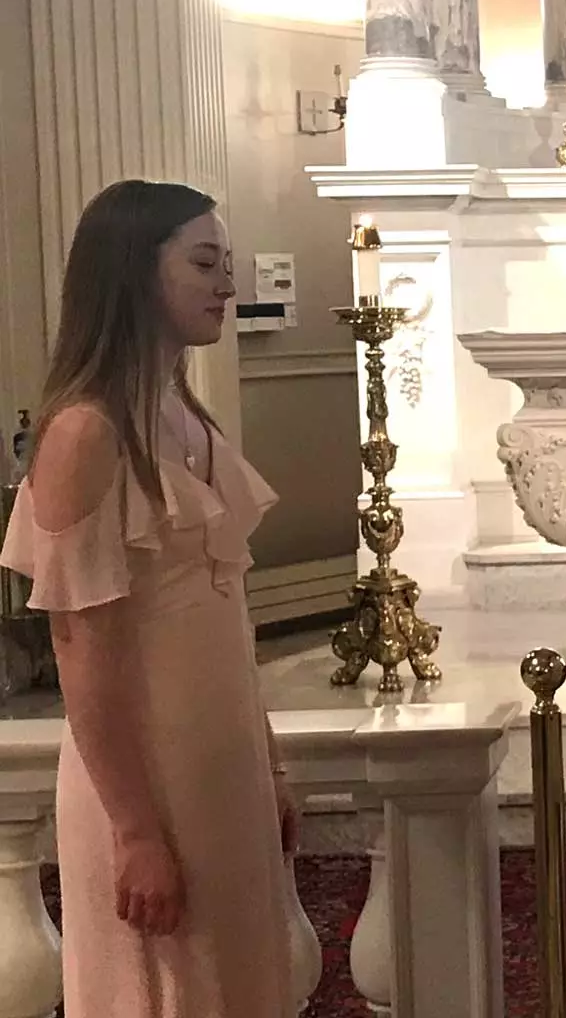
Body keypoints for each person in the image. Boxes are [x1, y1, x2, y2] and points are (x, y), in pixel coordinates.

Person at [0, 180, 296, 1016]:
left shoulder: (186, 415)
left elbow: (230, 616)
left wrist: (267, 763)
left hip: (220, 768)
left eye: (228, 265)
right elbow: (79, 646)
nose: (228, 286)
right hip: (145, 782)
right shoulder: (85, 433)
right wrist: (134, 831)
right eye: (204, 263)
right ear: (134, 273)